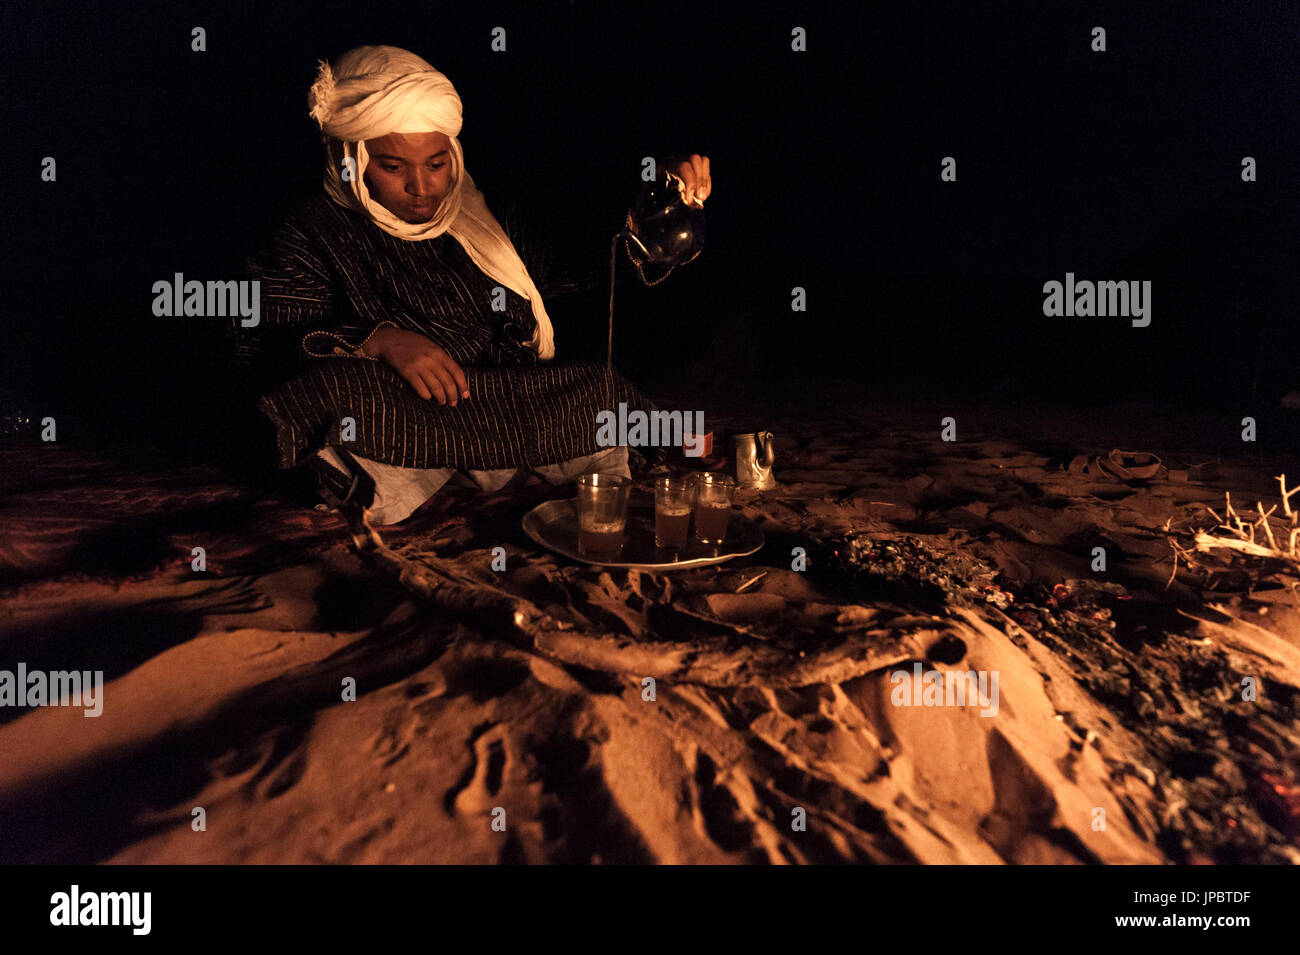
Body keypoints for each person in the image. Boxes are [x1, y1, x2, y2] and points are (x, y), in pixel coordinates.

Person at [234, 45, 711, 524]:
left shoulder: (481, 215)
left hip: (510, 398)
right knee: (334, 394)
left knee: (595, 385)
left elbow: (581, 258)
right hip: (413, 410)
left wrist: (655, 196)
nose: (422, 187)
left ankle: (485, 465)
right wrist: (380, 341)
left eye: (436, 164)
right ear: (350, 158)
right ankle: (510, 465)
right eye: (393, 167)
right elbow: (261, 349)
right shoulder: (307, 230)